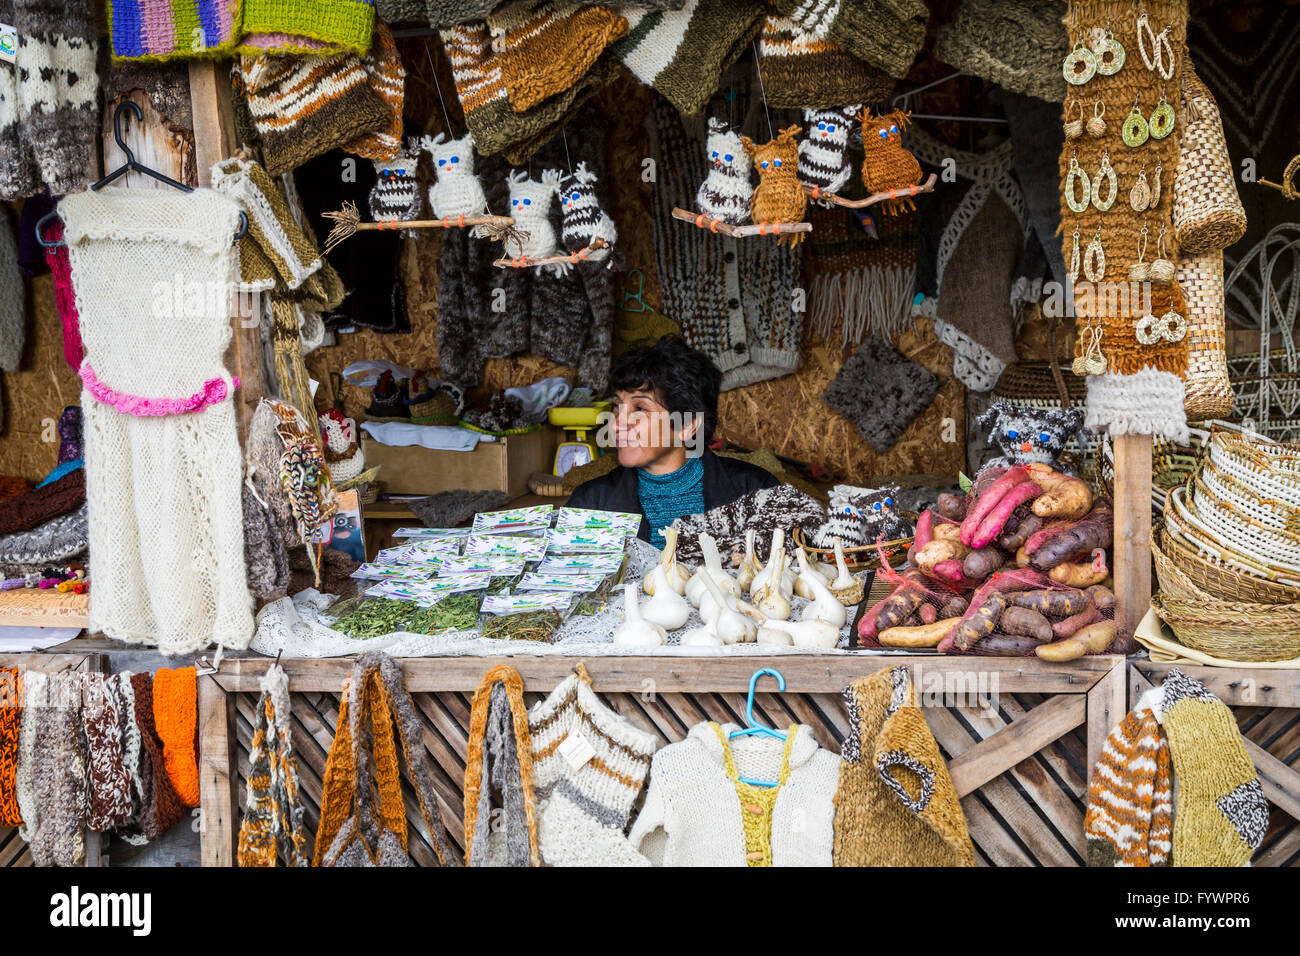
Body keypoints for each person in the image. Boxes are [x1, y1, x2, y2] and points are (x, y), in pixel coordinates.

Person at [566, 336, 779, 546]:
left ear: (688, 425)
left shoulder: (757, 493)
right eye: (617, 406)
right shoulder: (590, 505)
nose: (616, 424)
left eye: (639, 408)